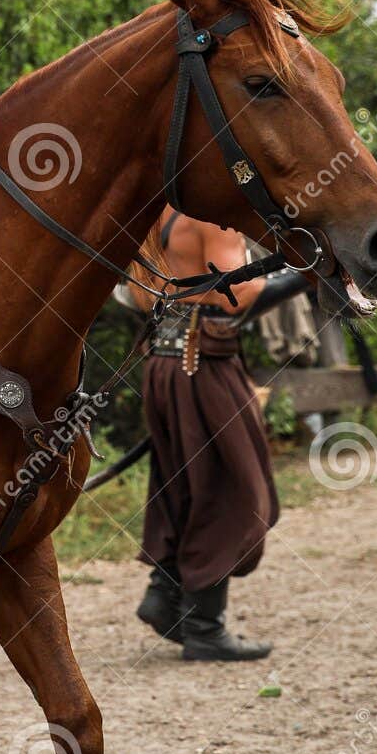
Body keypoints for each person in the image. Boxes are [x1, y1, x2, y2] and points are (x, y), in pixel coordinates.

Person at [132, 208, 286, 662]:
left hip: (164, 364)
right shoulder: (214, 219)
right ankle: (204, 626)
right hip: (201, 365)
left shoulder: (151, 214)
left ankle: (165, 597)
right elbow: (237, 294)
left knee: (182, 485)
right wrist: (309, 277)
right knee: (231, 489)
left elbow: (143, 296)